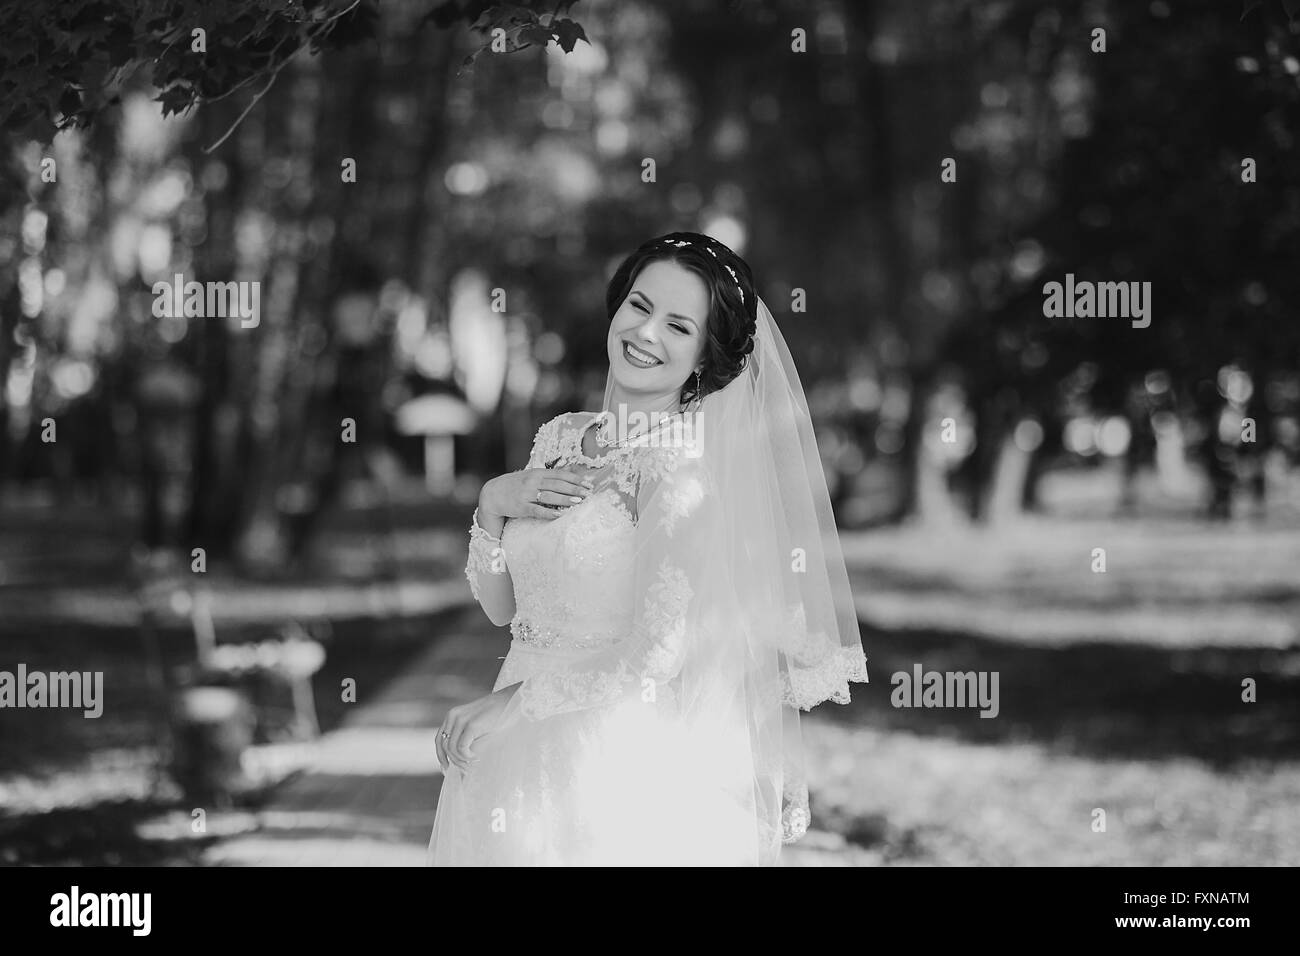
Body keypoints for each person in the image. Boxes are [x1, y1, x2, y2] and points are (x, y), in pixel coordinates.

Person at [426, 231, 868, 866]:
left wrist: (512, 705)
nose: (645, 332)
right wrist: (492, 504)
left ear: (704, 358)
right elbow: (504, 610)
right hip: (502, 744)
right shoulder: (560, 437)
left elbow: (655, 654)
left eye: (678, 325)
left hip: (606, 756)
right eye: (639, 305)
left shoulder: (678, 471)